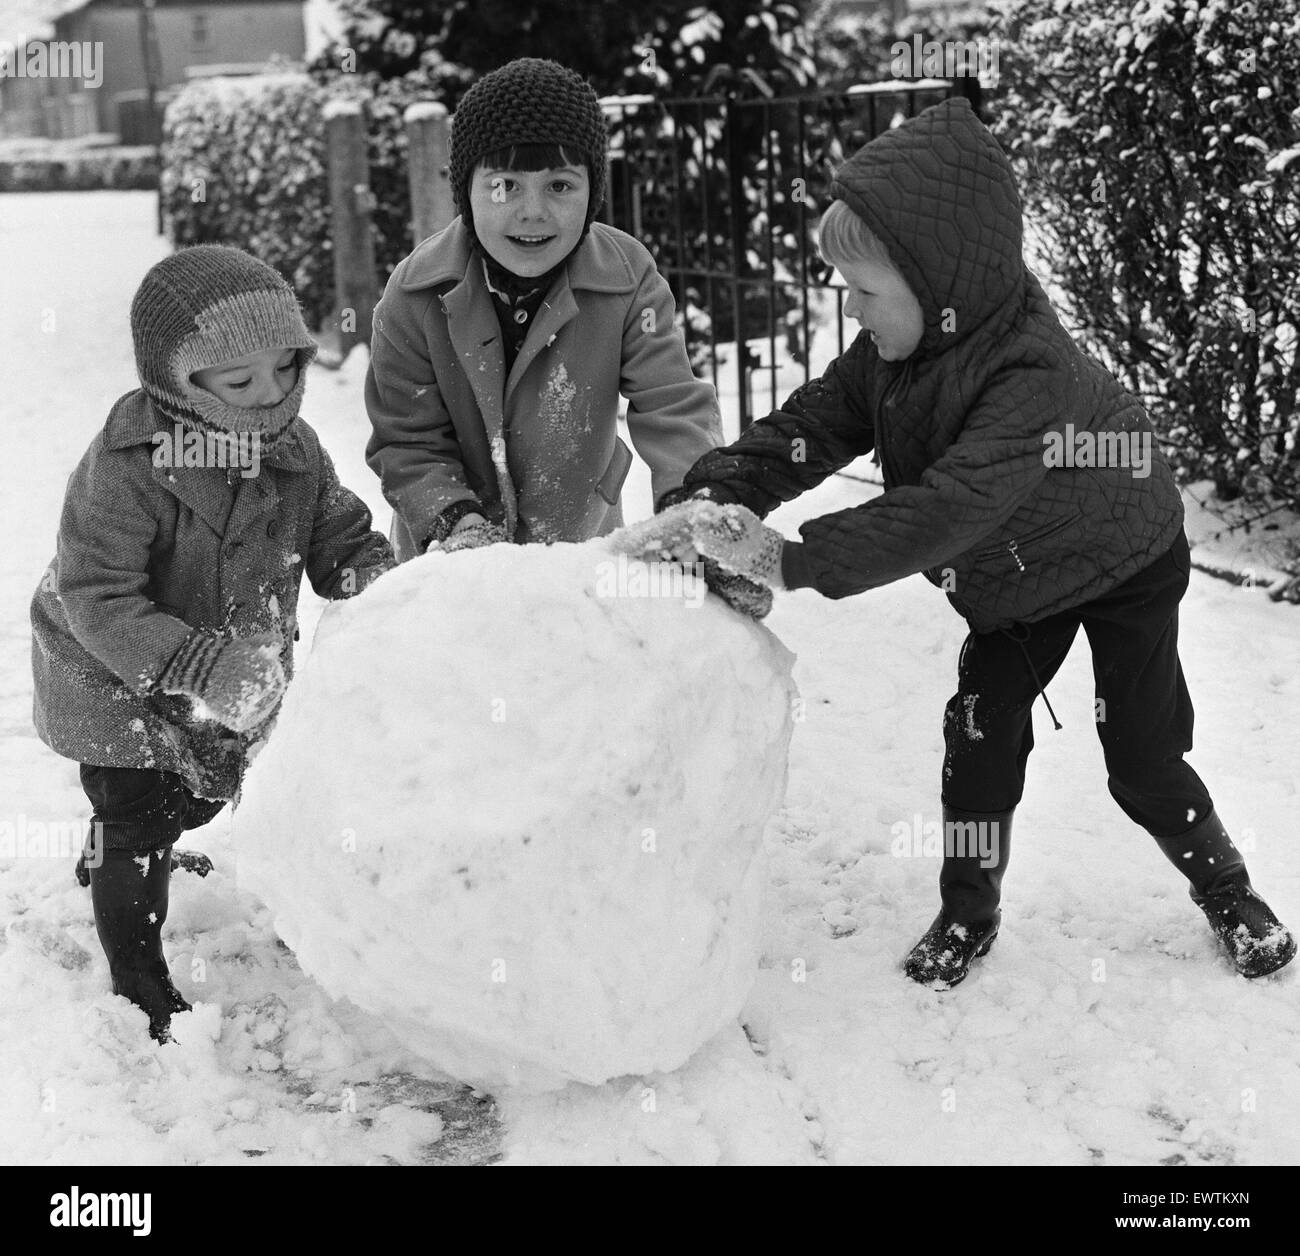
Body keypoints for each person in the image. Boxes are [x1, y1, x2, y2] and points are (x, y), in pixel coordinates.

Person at [635, 97, 1296, 986]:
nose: (853, 310)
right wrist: (715, 493)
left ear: (940, 285)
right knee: (979, 739)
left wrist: (788, 560)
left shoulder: (1031, 374)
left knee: (1141, 756)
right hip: (1018, 580)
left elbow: (950, 508)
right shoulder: (890, 353)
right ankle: (967, 912)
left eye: (867, 292)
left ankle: (1228, 890)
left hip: (1122, 560)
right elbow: (812, 426)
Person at [31, 245, 394, 1041]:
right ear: (174, 381)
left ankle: (120, 847)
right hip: (115, 675)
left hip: (230, 672)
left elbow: (340, 539)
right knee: (139, 820)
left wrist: (384, 586)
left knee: (196, 801)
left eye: (287, 368)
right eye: (239, 381)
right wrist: (200, 665)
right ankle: (138, 979)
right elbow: (96, 594)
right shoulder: (127, 467)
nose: (271, 397)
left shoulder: (295, 452)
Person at [364, 57, 722, 560]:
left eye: (560, 185)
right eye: (504, 185)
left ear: (592, 191)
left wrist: (696, 514)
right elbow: (406, 439)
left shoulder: (627, 278)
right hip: (449, 570)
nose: (532, 211)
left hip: (577, 559)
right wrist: (454, 521)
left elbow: (672, 406)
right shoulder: (415, 293)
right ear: (466, 191)